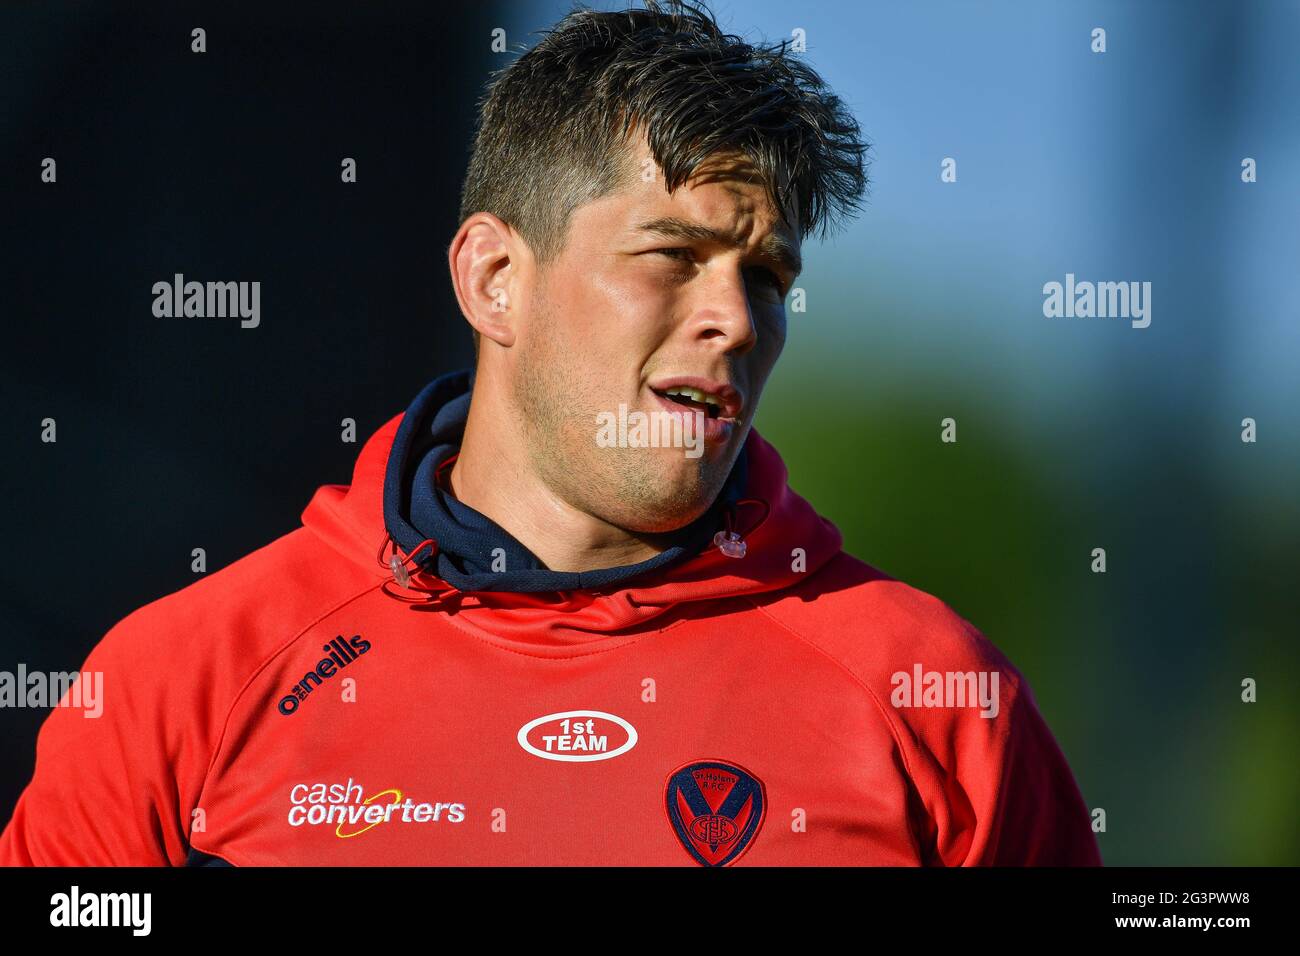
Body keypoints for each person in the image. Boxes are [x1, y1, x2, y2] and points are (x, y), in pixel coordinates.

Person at [0, 0, 1100, 867]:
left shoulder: (936, 691)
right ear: (493, 279)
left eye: (765, 276)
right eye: (672, 253)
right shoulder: (178, 679)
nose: (735, 318)